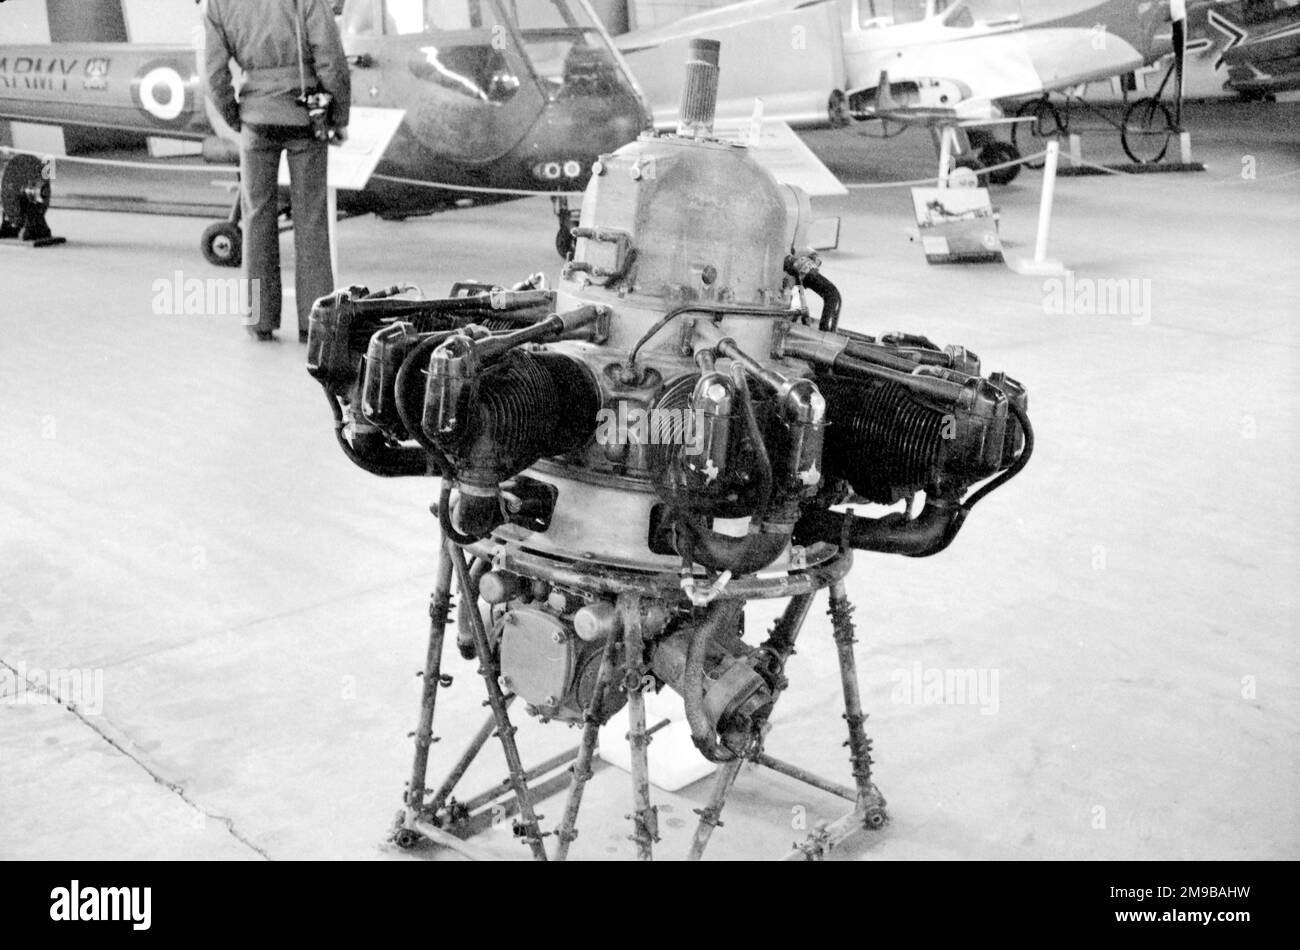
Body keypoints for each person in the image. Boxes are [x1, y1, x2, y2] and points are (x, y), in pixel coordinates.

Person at [203, 0, 351, 342]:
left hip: (255, 118)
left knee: (256, 217)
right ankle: (314, 324)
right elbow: (330, 57)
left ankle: (260, 321)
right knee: (311, 219)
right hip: (305, 116)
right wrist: (339, 117)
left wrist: (236, 117)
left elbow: (214, 72)